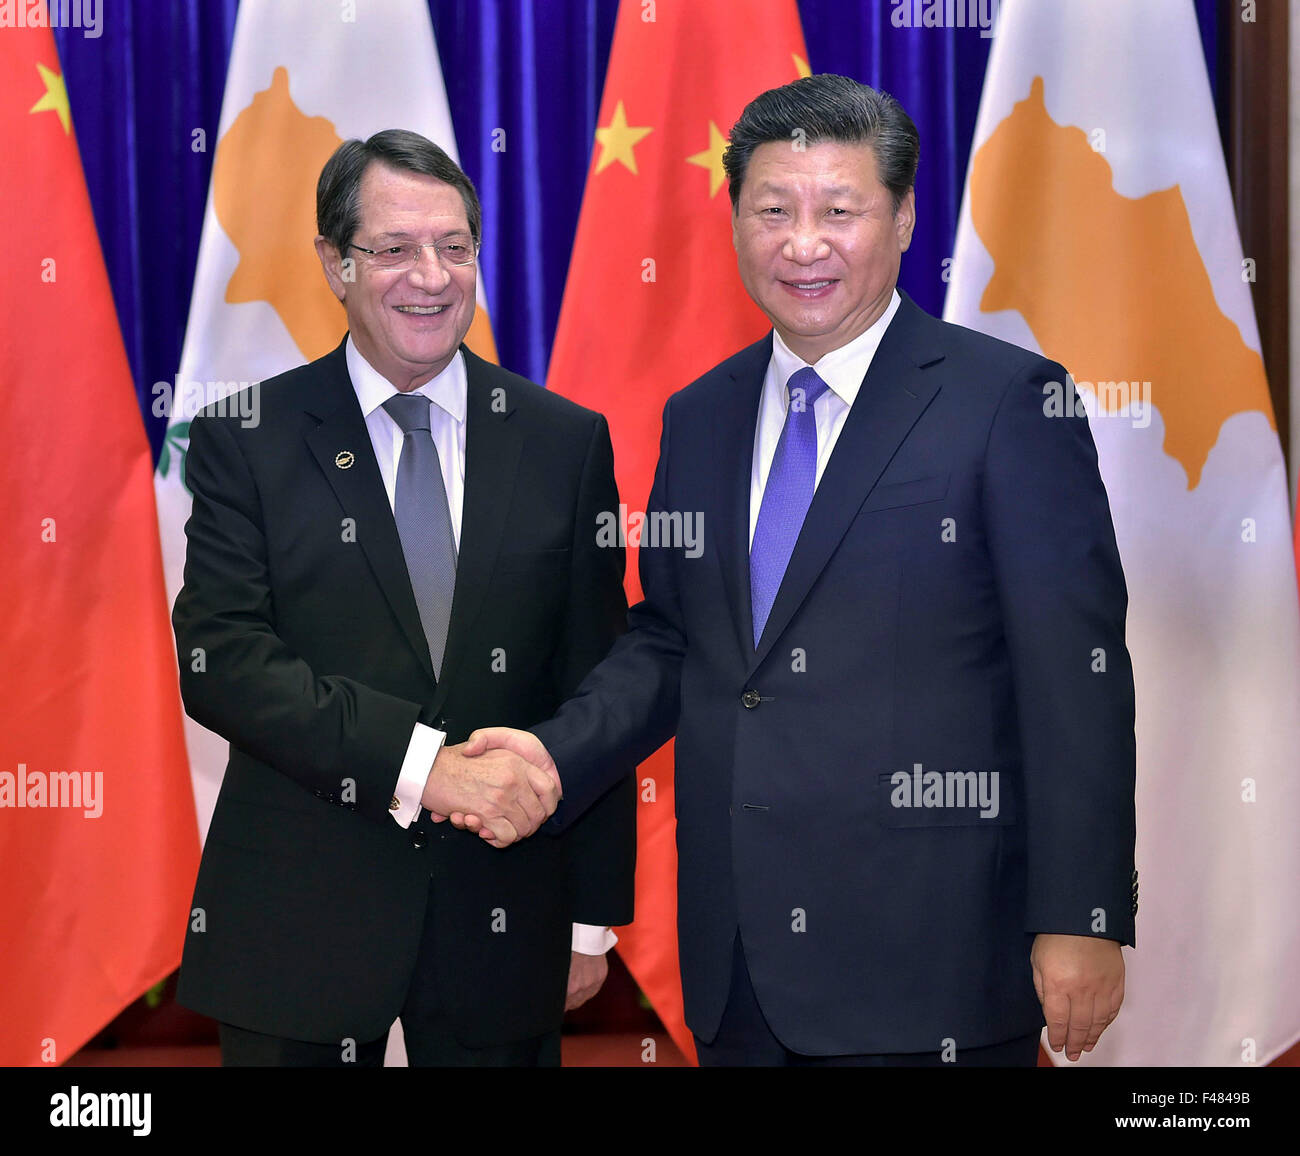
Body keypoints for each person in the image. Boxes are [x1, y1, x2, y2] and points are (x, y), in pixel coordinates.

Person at [462, 76, 1138, 1067]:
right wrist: (553, 755)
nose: (802, 242)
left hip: (934, 960)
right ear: (734, 220)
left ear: (904, 217)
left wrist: (1082, 911)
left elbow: (1074, 674)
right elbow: (674, 639)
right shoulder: (702, 414)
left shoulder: (1006, 403)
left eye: (839, 210)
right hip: (739, 965)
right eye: (772, 210)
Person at [172, 129, 635, 1067]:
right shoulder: (245, 440)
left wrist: (592, 917)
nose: (431, 275)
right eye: (392, 249)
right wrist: (430, 770)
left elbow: (597, 681)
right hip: (296, 927)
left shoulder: (563, 442)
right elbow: (225, 666)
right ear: (334, 265)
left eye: (455, 246)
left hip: (504, 927)